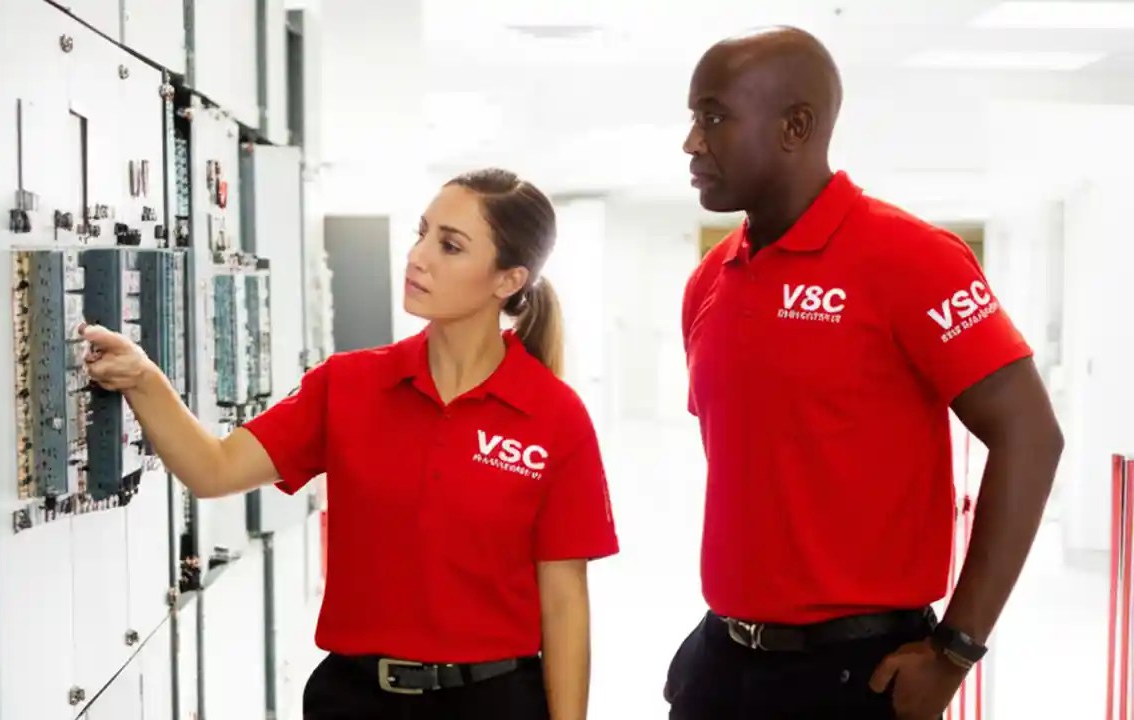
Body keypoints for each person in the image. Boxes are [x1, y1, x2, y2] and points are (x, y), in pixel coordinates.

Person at [81, 168, 619, 720]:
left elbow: (564, 601)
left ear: (507, 280)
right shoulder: (349, 386)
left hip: (494, 701)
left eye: (450, 246)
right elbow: (213, 469)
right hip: (355, 700)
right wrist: (143, 378)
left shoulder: (554, 416)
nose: (418, 256)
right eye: (422, 232)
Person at [667, 26, 1064, 720]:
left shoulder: (912, 258)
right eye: (694, 118)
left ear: (797, 126)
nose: (692, 142)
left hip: (857, 675)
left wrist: (956, 649)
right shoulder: (711, 280)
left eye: (713, 115)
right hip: (722, 665)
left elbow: (1030, 436)